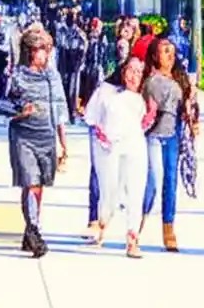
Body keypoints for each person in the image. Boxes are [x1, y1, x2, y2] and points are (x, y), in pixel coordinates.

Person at [0, 26, 69, 258]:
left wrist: (64, 142)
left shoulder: (53, 76)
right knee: (30, 181)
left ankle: (29, 229)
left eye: (47, 49)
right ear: (29, 51)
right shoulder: (15, 75)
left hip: (46, 137)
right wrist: (19, 110)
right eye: (41, 49)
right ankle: (35, 232)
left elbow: (60, 109)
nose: (45, 54)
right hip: (23, 136)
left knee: (40, 184)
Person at [85, 56, 150, 258]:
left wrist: (149, 119)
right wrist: (99, 133)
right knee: (110, 193)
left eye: (139, 72)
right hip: (109, 149)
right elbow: (91, 116)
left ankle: (132, 238)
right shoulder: (105, 92)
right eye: (131, 70)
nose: (134, 76)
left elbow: (143, 122)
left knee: (135, 191)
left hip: (134, 147)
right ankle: (103, 221)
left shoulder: (142, 97)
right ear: (123, 71)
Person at [141, 37, 199, 252]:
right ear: (155, 56)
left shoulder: (179, 79)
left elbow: (188, 108)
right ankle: (138, 223)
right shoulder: (148, 80)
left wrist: (191, 108)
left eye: (172, 51)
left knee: (171, 181)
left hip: (172, 135)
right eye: (165, 51)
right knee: (153, 182)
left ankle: (168, 227)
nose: (170, 55)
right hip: (153, 136)